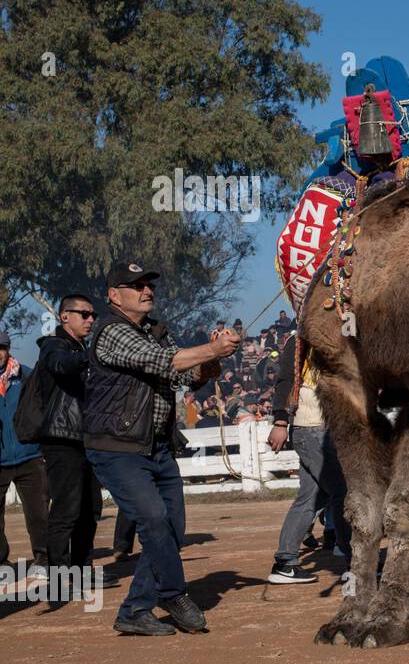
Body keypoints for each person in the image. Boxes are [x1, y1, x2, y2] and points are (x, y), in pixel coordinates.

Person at [83, 262, 238, 636]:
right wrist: (211, 348)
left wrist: (209, 363)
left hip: (156, 446)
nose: (147, 290)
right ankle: (173, 592)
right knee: (154, 519)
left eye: (148, 284)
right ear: (114, 295)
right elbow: (163, 362)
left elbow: (184, 375)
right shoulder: (111, 332)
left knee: (171, 526)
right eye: (136, 286)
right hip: (118, 447)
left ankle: (135, 609)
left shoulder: (156, 330)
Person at [265, 330, 350, 583]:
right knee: (341, 492)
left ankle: (285, 562)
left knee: (312, 497)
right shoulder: (300, 338)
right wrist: (280, 420)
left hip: (320, 428)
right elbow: (286, 379)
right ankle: (356, 559)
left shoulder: (335, 335)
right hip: (311, 427)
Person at [35, 294, 102, 580]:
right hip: (62, 438)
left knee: (90, 508)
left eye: (92, 315)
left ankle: (82, 571)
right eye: (83, 314)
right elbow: (62, 364)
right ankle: (59, 576)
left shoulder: (80, 347)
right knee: (66, 510)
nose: (90, 319)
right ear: (65, 316)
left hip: (84, 437)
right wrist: (93, 355)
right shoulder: (53, 345)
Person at [0, 330, 50, 577]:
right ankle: (1, 563)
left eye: (1, 347)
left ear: (8, 348)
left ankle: (43, 559)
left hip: (30, 454)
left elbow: (44, 405)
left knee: (39, 512)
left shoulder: (26, 374)